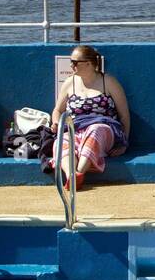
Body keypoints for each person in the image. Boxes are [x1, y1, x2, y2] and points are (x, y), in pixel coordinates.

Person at [50, 45, 130, 189]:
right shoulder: (70, 82)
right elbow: (57, 110)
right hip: (76, 128)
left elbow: (124, 115)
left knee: (95, 130)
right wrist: (56, 123)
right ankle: (72, 176)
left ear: (88, 63)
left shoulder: (109, 82)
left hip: (104, 129)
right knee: (62, 141)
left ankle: (80, 171)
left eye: (75, 62)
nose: (71, 65)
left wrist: (124, 142)